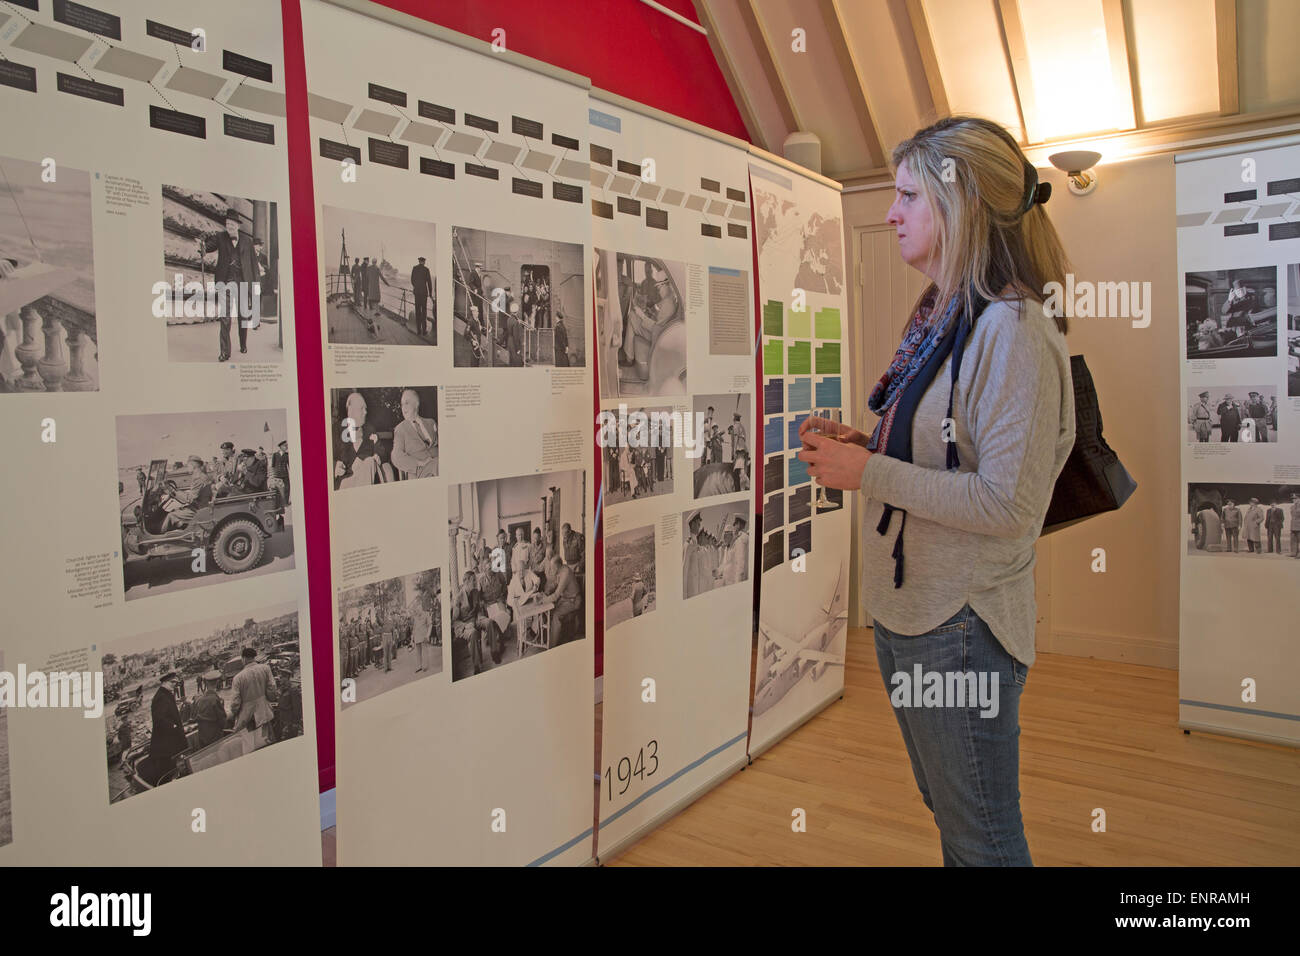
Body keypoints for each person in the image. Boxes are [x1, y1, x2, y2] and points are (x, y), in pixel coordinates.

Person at [797, 116, 1076, 866]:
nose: (891, 213)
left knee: (980, 835)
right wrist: (872, 444)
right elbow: (948, 454)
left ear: (961, 208)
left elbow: (1007, 504)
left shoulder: (1011, 331)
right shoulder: (946, 316)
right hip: (916, 616)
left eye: (908, 196)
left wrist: (871, 474)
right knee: (954, 815)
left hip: (964, 627)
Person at [198, 208, 257, 360]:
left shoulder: (247, 241)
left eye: (232, 224)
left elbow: (253, 264)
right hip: (225, 282)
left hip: (243, 283)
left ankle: (243, 343)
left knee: (243, 316)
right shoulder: (220, 237)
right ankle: (225, 352)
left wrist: (256, 285)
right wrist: (202, 246)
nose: (229, 227)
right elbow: (208, 247)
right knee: (225, 317)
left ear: (238, 225)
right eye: (227, 224)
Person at [229, 647, 279, 745]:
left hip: (247, 719)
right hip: (264, 713)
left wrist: (235, 713)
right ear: (254, 657)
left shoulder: (238, 678)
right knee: (268, 741)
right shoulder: (265, 668)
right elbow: (272, 689)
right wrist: (266, 700)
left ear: (243, 658)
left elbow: (235, 702)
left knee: (251, 745)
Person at [334, 390, 383, 489]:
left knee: (369, 461)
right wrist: (334, 466)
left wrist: (378, 456)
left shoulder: (370, 429)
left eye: (365, 408)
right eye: (362, 408)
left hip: (366, 477)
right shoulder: (336, 429)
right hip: (345, 480)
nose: (365, 412)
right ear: (351, 411)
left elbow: (382, 451)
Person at [391, 388, 438, 479]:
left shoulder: (431, 423)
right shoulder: (400, 429)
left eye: (407, 403)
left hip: (437, 465)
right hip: (420, 471)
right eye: (402, 404)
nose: (403, 407)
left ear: (416, 404)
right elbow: (396, 455)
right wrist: (418, 463)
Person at [148, 674, 187, 783]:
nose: (175, 685)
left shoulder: (165, 694)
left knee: (170, 768)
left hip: (168, 741)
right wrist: (173, 726)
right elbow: (159, 719)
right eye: (172, 682)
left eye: (175, 682)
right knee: (165, 770)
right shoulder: (161, 697)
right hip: (165, 743)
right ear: (164, 682)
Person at [163, 456, 214, 530]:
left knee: (171, 515)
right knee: (177, 510)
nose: (187, 468)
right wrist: (178, 492)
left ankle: (160, 538)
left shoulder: (198, 478)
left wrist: (174, 492)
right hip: (199, 505)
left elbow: (190, 499)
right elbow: (193, 494)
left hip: (198, 509)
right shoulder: (201, 476)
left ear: (193, 466)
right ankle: (182, 528)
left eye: (188, 466)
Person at [453, 569, 484, 675]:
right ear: (466, 582)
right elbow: (455, 621)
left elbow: (479, 609)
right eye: (473, 581)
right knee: (473, 633)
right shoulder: (458, 598)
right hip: (464, 627)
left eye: (475, 580)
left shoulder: (475, 592)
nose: (475, 583)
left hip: (474, 621)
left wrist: (480, 617)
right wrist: (466, 626)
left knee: (488, 622)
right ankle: (476, 666)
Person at [194, 681, 227, 747]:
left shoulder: (200, 700)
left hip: (202, 736)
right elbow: (222, 720)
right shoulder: (215, 699)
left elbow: (196, 716)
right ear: (217, 683)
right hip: (215, 737)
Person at [411, 256, 433, 338]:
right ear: (423, 262)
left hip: (417, 293)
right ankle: (424, 331)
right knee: (424, 312)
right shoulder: (426, 270)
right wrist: (430, 293)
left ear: (419, 261)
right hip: (424, 293)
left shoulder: (414, 268)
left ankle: (418, 331)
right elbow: (429, 283)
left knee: (417, 311)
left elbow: (412, 280)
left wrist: (416, 286)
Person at [270, 439, 290, 505]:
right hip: (277, 475)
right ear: (281, 447)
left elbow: (289, 465)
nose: (286, 447)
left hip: (285, 474)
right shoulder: (275, 455)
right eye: (285, 446)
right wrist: (273, 476)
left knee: (287, 488)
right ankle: (278, 503)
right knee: (278, 490)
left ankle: (286, 502)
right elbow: (272, 466)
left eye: (286, 446)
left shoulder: (287, 455)